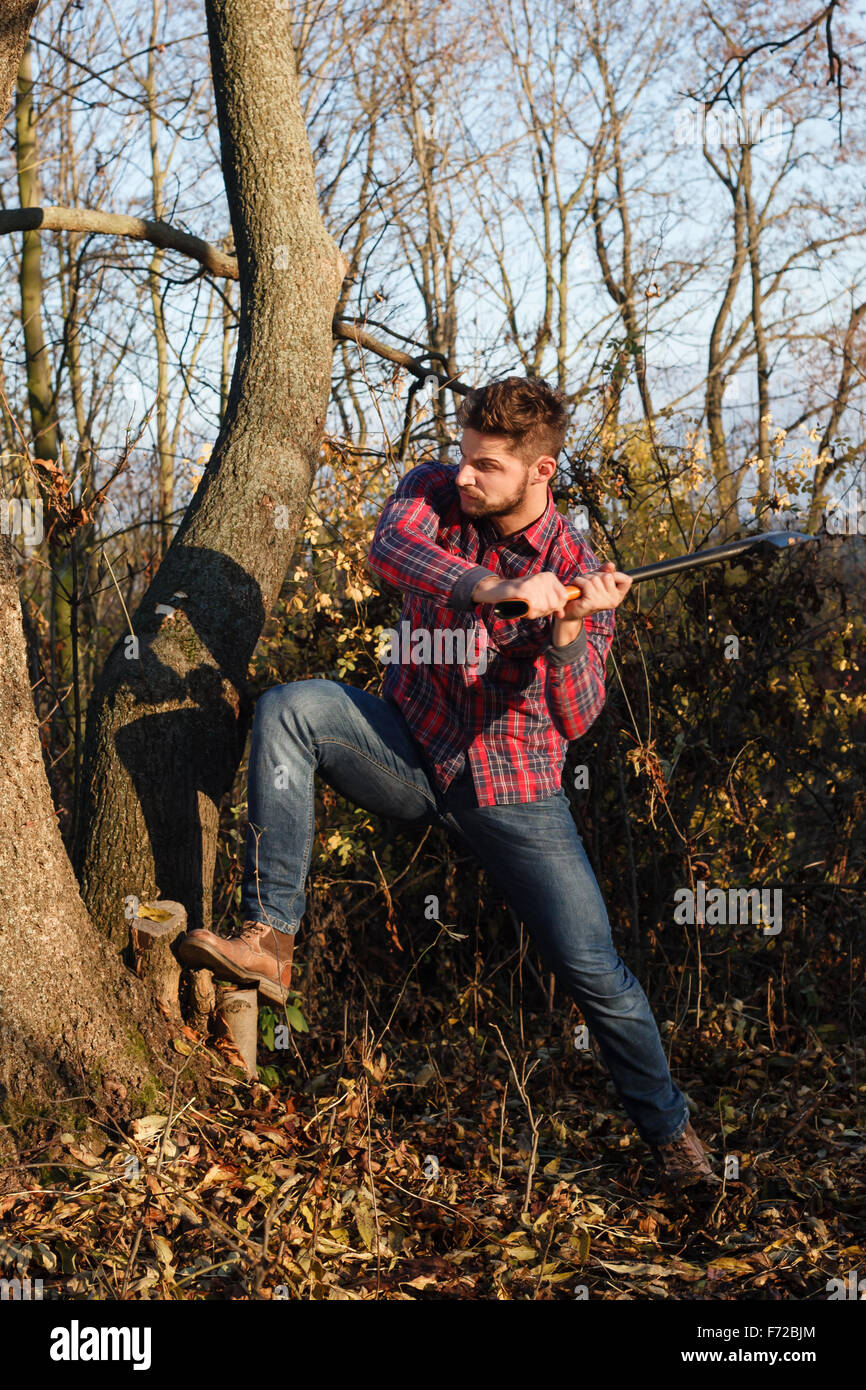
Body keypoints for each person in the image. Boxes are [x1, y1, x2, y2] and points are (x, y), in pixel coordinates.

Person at [179, 376, 719, 1190]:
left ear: (540, 473)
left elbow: (577, 719)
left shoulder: (578, 566)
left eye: (488, 467)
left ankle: (674, 1141)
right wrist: (495, 587)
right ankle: (270, 939)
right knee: (292, 709)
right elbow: (390, 552)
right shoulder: (435, 492)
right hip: (407, 747)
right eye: (466, 457)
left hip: (513, 790)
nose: (465, 476)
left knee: (596, 974)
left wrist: (571, 628)